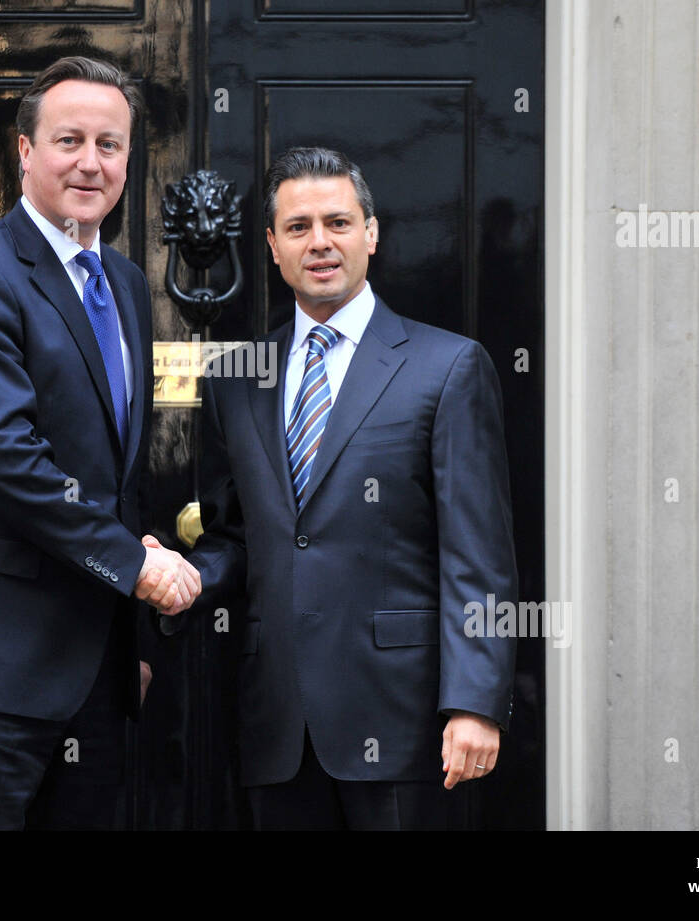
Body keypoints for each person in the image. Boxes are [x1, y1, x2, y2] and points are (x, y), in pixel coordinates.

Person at [0, 55, 198, 830]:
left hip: (95, 675)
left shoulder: (122, 283)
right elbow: (6, 462)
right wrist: (139, 569)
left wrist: (134, 641)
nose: (91, 161)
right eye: (69, 140)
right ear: (25, 152)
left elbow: (117, 468)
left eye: (111, 144)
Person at [156, 146, 518, 830]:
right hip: (278, 727)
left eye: (338, 222)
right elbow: (238, 535)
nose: (319, 241)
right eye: (297, 227)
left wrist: (474, 701)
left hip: (407, 725)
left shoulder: (447, 368)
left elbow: (479, 556)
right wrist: (189, 580)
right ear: (271, 245)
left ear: (371, 234)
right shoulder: (238, 380)